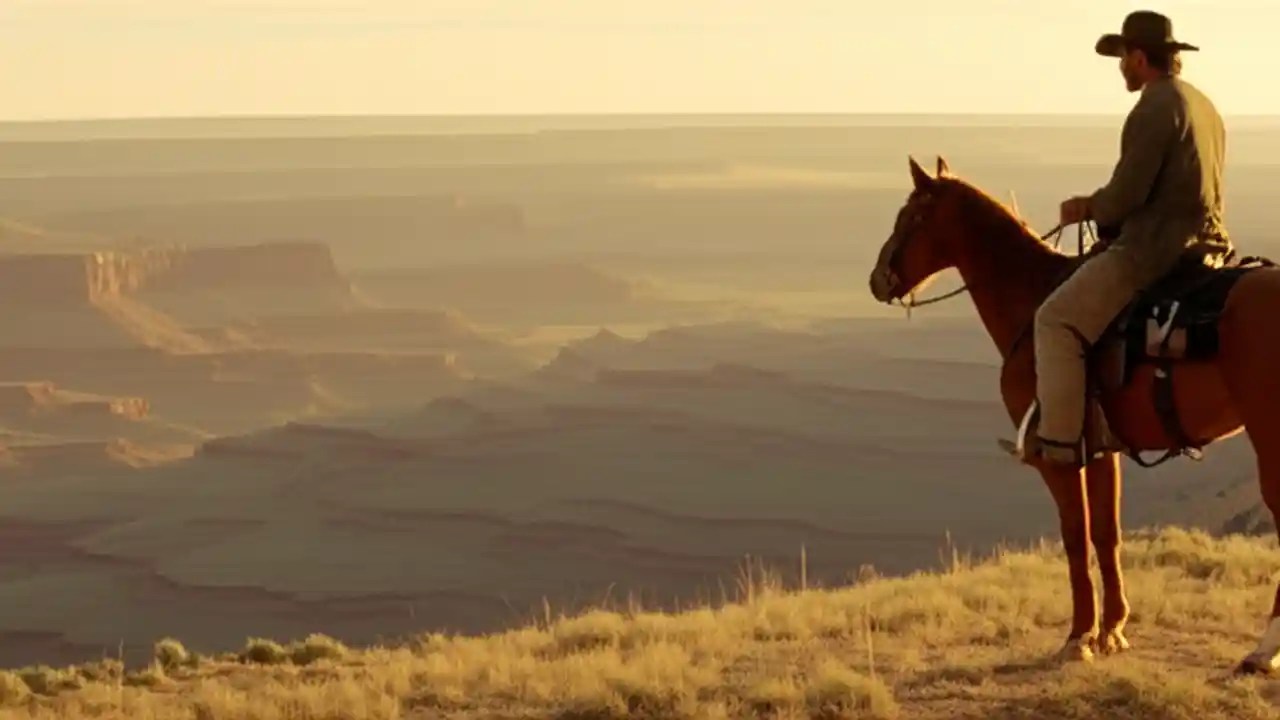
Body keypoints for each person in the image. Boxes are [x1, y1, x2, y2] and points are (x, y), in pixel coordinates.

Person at [1016, 10, 1234, 466]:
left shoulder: (1154, 107)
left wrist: (1088, 206)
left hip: (1154, 253)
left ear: (1138, 58)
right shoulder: (1204, 106)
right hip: (1209, 250)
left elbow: (1127, 195)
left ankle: (1059, 442)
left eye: (1122, 57)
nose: (1119, 67)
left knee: (1054, 321)